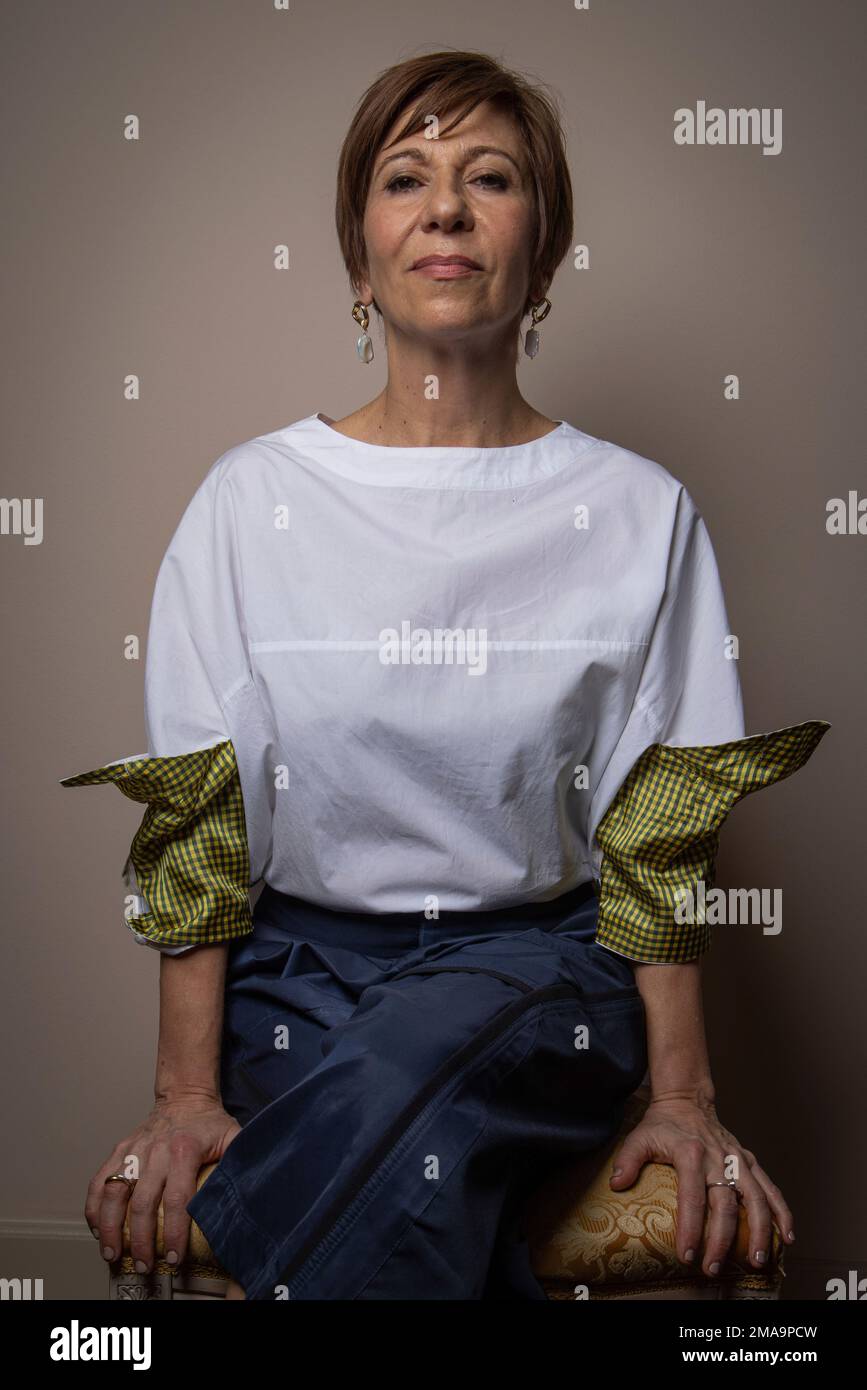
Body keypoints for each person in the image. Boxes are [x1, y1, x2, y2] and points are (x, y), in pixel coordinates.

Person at [61, 49, 829, 1300]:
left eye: (492, 177)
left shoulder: (640, 511)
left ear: (546, 247)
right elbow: (202, 814)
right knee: (398, 1133)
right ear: (359, 258)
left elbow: (660, 832)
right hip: (300, 977)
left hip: (542, 979)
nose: (448, 207)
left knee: (396, 1070)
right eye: (406, 177)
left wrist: (686, 1097)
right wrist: (186, 1096)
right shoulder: (250, 502)